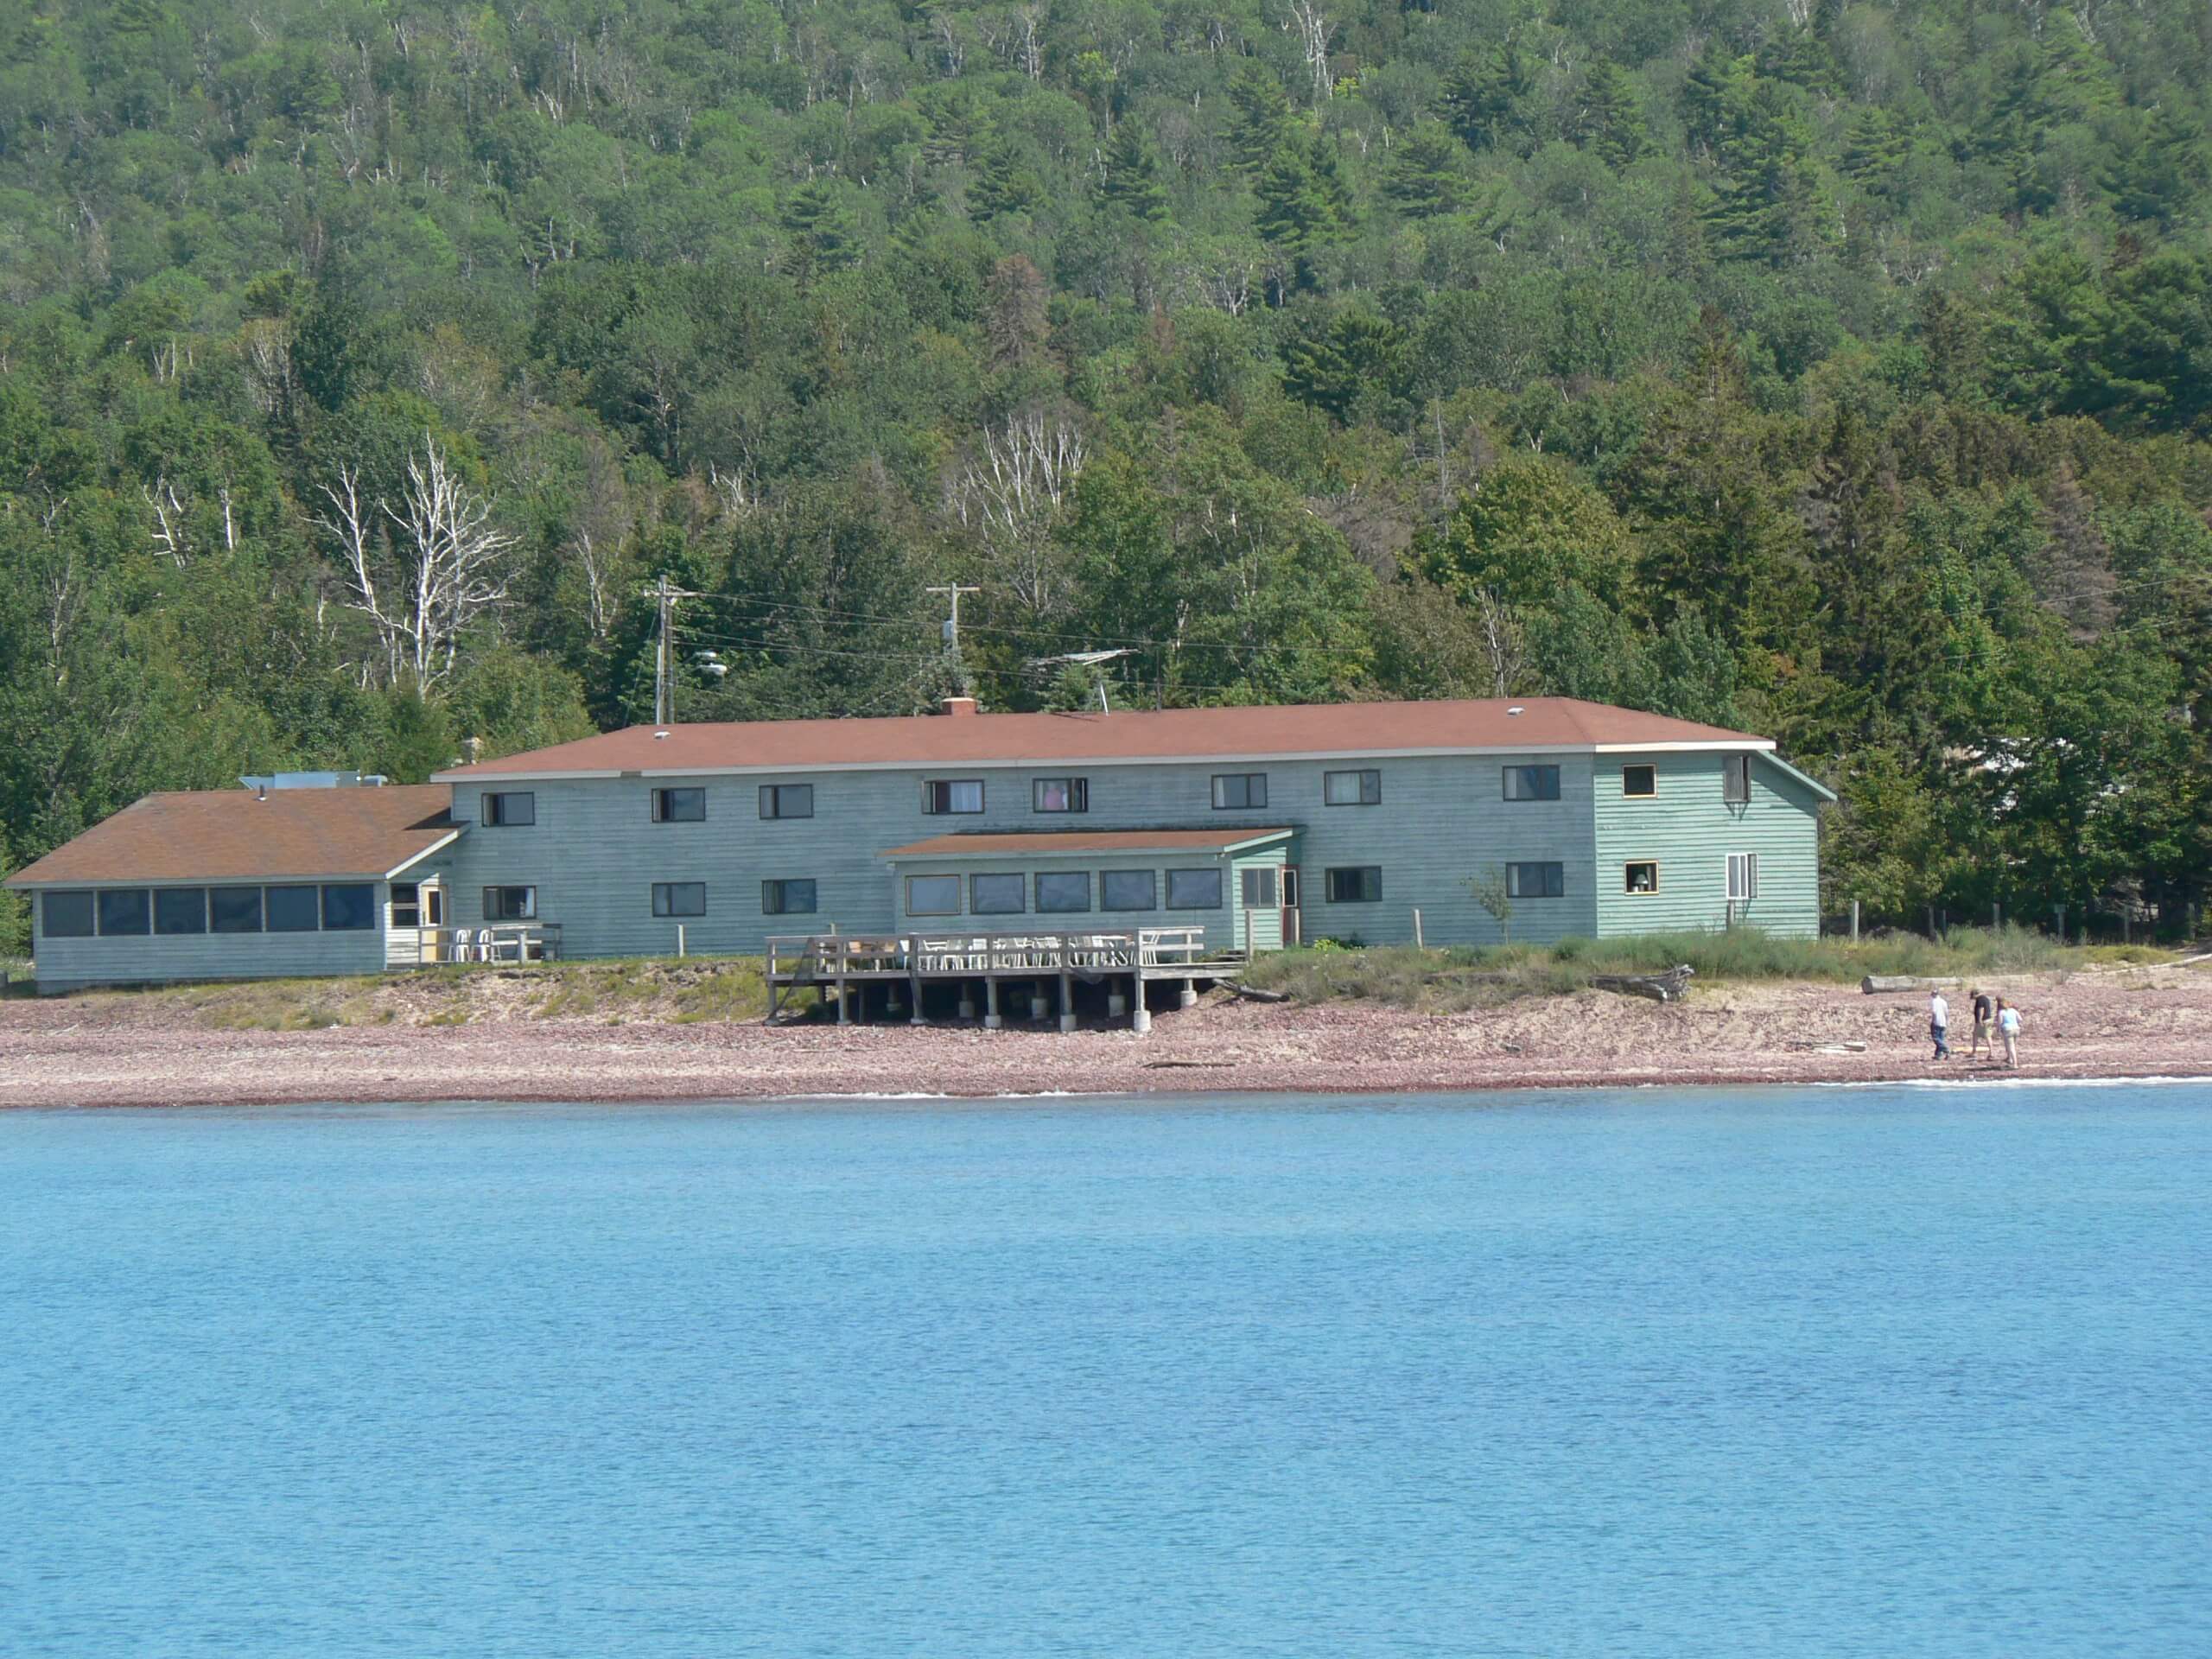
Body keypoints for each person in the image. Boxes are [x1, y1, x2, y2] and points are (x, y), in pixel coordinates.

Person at [1969, 987, 1995, 1060]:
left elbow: (1981, 1009)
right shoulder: (1986, 998)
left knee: (1979, 1035)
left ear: (1975, 994)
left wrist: (1980, 1019)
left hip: (1983, 1021)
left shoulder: (1979, 999)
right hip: (1988, 1019)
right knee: (1984, 1035)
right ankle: (1990, 1052)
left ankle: (1990, 1053)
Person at [1997, 998, 2022, 1068]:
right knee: (2011, 1045)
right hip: (2016, 1029)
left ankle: (2015, 1064)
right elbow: (2020, 1019)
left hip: (2007, 1030)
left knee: (2011, 1047)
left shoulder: (2001, 1012)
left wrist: (1998, 1029)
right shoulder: (2014, 1010)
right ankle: (2010, 1059)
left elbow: (2000, 1022)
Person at [1929, 988, 1950, 1061]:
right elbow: (1946, 1012)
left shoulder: (1934, 1001)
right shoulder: (1943, 1001)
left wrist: (1933, 1021)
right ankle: (1938, 1055)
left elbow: (1934, 1012)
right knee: (1941, 1038)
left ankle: (1946, 1049)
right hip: (1943, 1022)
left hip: (1937, 1021)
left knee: (1936, 1038)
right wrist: (1947, 1021)